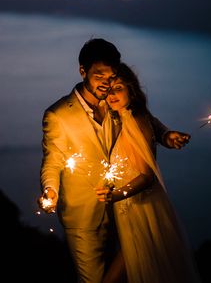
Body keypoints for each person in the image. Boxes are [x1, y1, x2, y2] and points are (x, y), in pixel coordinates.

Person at [38, 38, 191, 283]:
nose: (107, 84)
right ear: (82, 71)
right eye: (100, 76)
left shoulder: (114, 99)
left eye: (112, 77)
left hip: (121, 210)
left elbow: (141, 117)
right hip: (83, 217)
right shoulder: (58, 115)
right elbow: (53, 159)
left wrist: (164, 134)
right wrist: (50, 189)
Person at [96, 63, 201, 283]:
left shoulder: (135, 119)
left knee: (140, 261)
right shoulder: (124, 116)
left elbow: (147, 177)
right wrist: (166, 135)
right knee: (132, 257)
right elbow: (153, 125)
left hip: (140, 206)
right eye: (109, 90)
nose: (112, 94)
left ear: (131, 90)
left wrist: (115, 195)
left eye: (119, 88)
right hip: (129, 206)